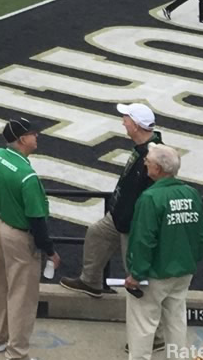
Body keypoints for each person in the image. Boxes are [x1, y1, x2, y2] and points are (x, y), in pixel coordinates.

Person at [0, 115, 60, 360]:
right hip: (19, 236)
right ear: (21, 139)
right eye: (32, 134)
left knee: (2, 284)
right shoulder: (27, 176)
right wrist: (50, 251)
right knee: (23, 296)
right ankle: (18, 356)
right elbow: (37, 220)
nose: (36, 136)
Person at [119, 145, 203, 360]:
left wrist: (136, 273)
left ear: (157, 169)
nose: (145, 163)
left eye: (148, 161)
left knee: (142, 326)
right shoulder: (191, 193)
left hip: (155, 274)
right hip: (184, 270)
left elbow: (143, 240)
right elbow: (202, 235)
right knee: (176, 323)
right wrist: (192, 259)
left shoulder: (150, 198)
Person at [60, 103, 162, 299]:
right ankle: (90, 281)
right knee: (96, 233)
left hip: (135, 222)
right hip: (119, 215)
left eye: (126, 119)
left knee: (133, 264)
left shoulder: (155, 155)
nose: (123, 122)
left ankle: (146, 301)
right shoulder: (144, 149)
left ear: (136, 125)